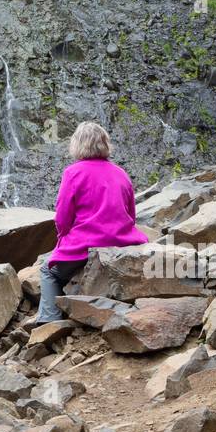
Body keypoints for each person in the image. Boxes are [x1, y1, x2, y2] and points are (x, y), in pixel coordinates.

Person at [36, 121, 148, 324]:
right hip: (121, 243)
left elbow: (62, 217)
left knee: (47, 272)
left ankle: (49, 321)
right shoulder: (121, 173)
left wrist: (64, 238)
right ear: (105, 144)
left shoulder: (73, 173)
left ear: (78, 144)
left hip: (86, 245)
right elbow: (131, 215)